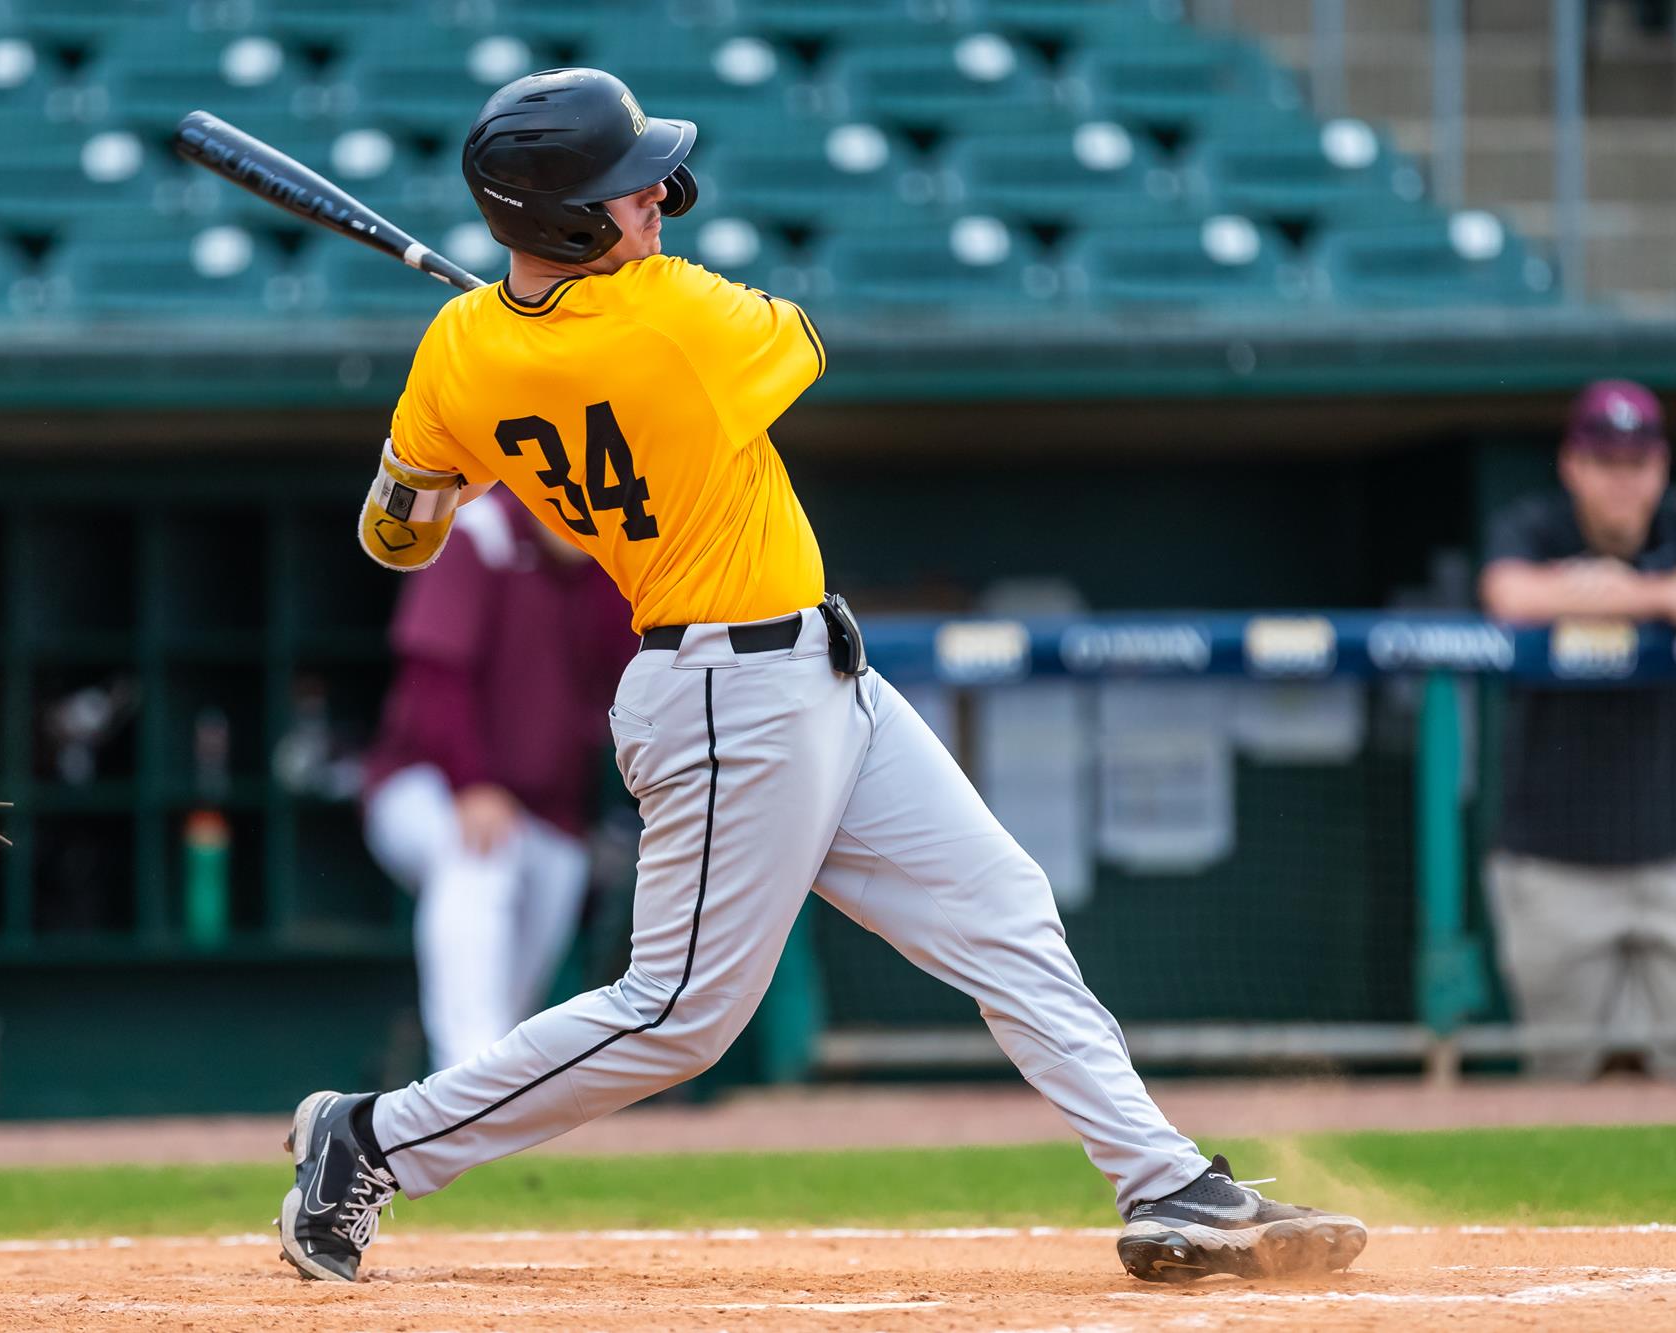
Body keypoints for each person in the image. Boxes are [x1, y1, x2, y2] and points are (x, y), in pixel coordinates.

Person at [277, 68, 1366, 1287]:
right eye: (628, 191)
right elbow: (802, 338)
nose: (657, 200)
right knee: (676, 1015)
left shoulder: (458, 352)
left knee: (1001, 911)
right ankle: (367, 1136)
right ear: (569, 224)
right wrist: (569, 342)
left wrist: (500, 367)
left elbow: (396, 535)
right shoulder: (677, 320)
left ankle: (1162, 1176)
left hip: (813, 675)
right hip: (718, 696)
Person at [361, 488, 636, 1070]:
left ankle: (485, 1089)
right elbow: (434, 673)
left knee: (556, 875)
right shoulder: (481, 529)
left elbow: (635, 680)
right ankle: (461, 1071)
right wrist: (472, 782)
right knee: (481, 857)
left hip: (543, 810)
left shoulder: (615, 560)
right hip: (425, 784)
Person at [1479, 378, 1676, 1080]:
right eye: (1606, 462)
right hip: (1552, 865)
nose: (1623, 481)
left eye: (1637, 463)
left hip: (1668, 858)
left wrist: (1621, 593)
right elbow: (1508, 594)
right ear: (1573, 464)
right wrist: (1650, 601)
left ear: (1660, 466)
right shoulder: (1533, 525)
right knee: (1563, 1084)